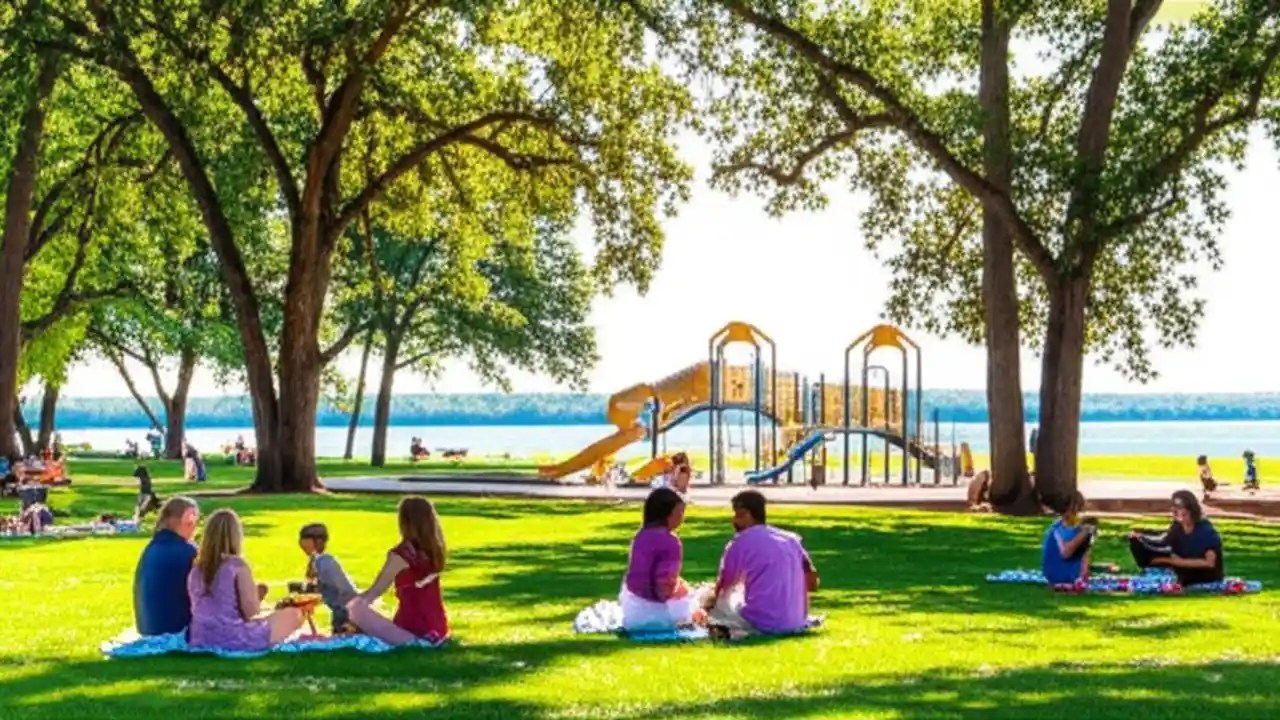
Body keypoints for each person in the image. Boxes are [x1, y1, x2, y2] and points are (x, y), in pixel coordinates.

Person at [701, 490, 818, 636]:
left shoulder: (740, 543)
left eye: (737, 515)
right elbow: (812, 579)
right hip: (796, 621)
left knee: (717, 603)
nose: (733, 520)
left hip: (762, 622)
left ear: (746, 514)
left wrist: (708, 604)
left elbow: (724, 586)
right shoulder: (791, 539)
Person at [187, 509, 305, 651]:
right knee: (294, 614)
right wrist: (259, 597)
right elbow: (251, 612)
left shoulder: (196, 568)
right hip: (233, 638)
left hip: (200, 638)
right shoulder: (236, 565)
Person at [346, 496, 449, 645]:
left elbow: (375, 592)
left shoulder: (401, 555)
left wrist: (349, 604)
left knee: (355, 610)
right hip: (438, 629)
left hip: (413, 631)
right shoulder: (434, 552)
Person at [619, 488, 699, 631]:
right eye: (680, 513)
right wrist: (684, 592)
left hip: (631, 611)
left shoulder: (641, 536)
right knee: (693, 600)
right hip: (655, 617)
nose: (682, 518)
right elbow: (664, 588)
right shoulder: (670, 542)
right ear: (667, 514)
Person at [133, 497, 200, 636]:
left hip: (148, 629)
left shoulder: (151, 548)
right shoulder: (188, 552)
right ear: (187, 520)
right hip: (176, 630)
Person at [1129, 490, 1225, 586]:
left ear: (1190, 509)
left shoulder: (1206, 531)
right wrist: (1142, 537)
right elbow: (1163, 541)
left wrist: (1177, 562)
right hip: (1182, 570)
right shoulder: (1177, 526)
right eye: (1173, 506)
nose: (1174, 510)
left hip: (1204, 576)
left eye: (1179, 507)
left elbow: (1210, 563)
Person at [298, 523, 359, 632]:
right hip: (340, 612)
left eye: (303, 539)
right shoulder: (318, 561)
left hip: (346, 614)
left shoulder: (325, 562)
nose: (300, 544)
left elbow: (346, 589)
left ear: (315, 541)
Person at [1041, 491, 1097, 584]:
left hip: (1073, 573)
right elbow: (1066, 553)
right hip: (1059, 574)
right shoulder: (1058, 529)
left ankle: (1079, 576)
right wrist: (1083, 534)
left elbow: (1084, 554)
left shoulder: (1073, 529)